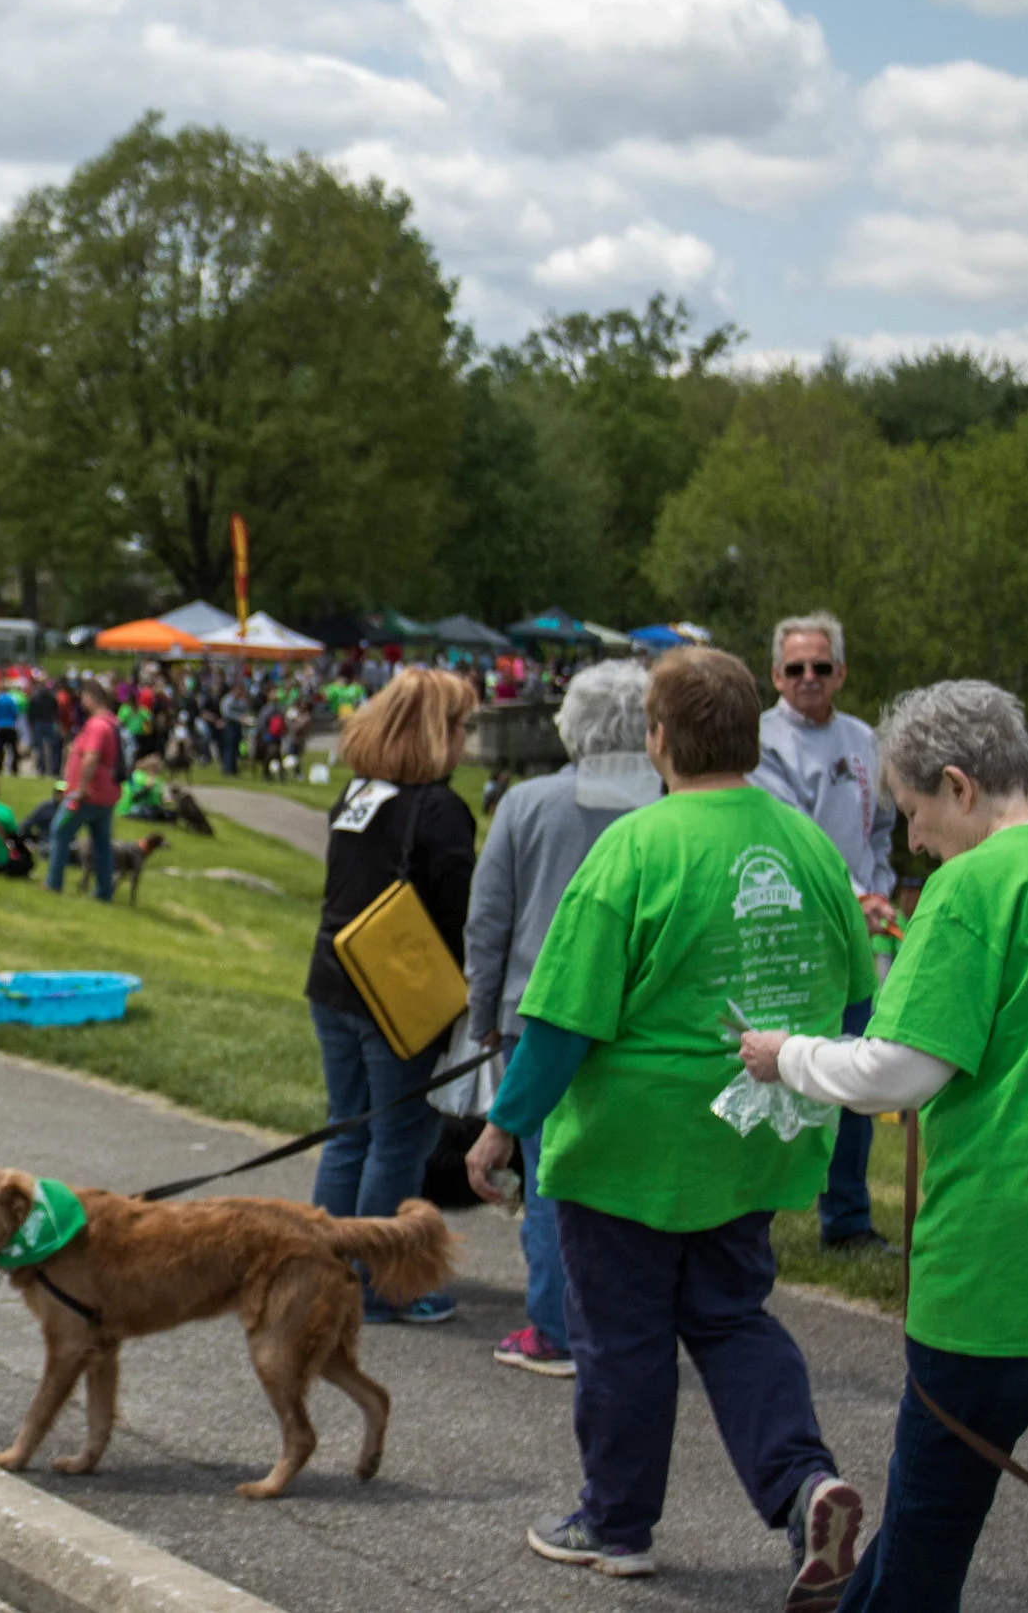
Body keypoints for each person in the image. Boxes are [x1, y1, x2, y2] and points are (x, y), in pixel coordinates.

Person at [737, 682, 1028, 1611]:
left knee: (929, 1529)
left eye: (913, 810)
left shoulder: (973, 885)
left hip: (1006, 1269)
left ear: (959, 784)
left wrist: (789, 1056)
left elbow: (898, 1071)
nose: (913, 840)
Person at [463, 647, 873, 1596]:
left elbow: (563, 1016)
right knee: (732, 1317)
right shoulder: (809, 845)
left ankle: (616, 1522)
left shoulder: (637, 846)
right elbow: (856, 995)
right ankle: (804, 1483)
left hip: (631, 1149)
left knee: (622, 1336)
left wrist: (502, 1125)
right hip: (756, 1134)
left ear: (659, 737)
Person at [462, 662, 659, 1380]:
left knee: (550, 1174)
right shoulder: (666, 811)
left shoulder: (527, 803)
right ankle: (629, 1317)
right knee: (631, 1176)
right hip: (641, 1019)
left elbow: (489, 919)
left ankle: (554, 1325)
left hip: (536, 1011)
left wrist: (484, 1012)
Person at [306, 669, 478, 1325]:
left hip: (334, 977)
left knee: (347, 1131)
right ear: (437, 732)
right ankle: (382, 1284)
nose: (466, 740)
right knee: (399, 1139)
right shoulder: (439, 810)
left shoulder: (356, 794)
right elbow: (460, 914)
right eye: (462, 727)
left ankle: (327, 1271)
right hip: (397, 995)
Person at [751, 611, 900, 1259]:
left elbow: (881, 828)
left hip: (858, 933)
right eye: (795, 667)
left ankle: (847, 1218)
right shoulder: (759, 741)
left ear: (840, 672)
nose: (807, 677)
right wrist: (850, 896)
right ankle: (752, 1215)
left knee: (856, 1064)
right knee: (771, 1069)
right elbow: (792, 836)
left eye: (820, 666)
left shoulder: (864, 739)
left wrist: (878, 887)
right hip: (790, 928)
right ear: (775, 675)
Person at [49, 680, 123, 901]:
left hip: (88, 793)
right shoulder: (112, 723)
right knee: (101, 843)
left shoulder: (97, 725)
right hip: (106, 793)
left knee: (60, 831)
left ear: (90, 697)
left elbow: (91, 758)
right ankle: (104, 890)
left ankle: (53, 883)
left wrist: (80, 788)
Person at [26, 671, 61, 777]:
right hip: (49, 722)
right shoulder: (51, 696)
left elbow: (30, 711)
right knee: (52, 746)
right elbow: (56, 709)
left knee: (40, 747)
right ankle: (54, 769)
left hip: (38, 723)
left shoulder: (34, 696)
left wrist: (31, 723)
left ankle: (41, 768)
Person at [0, 680, 23, 775]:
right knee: (13, 749)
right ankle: (14, 769)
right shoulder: (11, 700)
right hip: (10, 726)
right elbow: (15, 713)